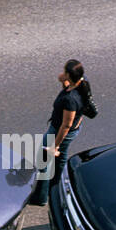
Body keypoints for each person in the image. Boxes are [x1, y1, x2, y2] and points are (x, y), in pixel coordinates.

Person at [31, 60, 89, 206]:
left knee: (43, 160)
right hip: (74, 128)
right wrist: (64, 80)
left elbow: (66, 125)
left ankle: (41, 197)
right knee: (60, 159)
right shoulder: (82, 83)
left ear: (69, 75)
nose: (61, 73)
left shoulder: (70, 100)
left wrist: (54, 146)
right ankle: (56, 189)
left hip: (59, 131)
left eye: (64, 71)